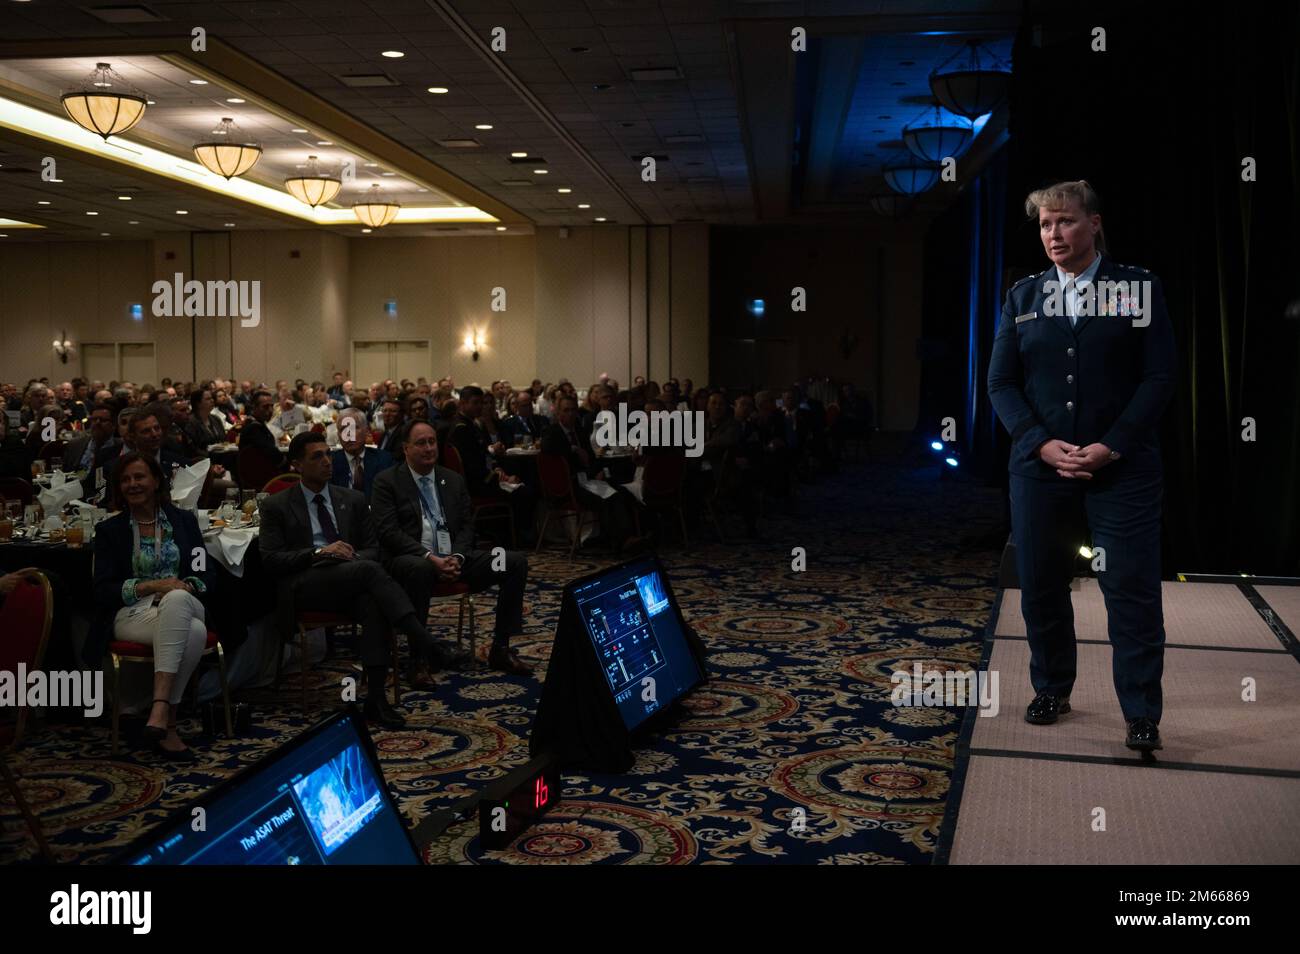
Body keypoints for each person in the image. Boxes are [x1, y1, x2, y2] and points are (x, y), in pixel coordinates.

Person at [987, 179, 1175, 752]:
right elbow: (1001, 383)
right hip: (1040, 470)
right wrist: (1038, 442)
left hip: (1122, 470)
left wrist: (1112, 444)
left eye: (1065, 221)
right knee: (1041, 586)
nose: (1053, 234)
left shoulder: (1137, 287)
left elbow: (1159, 377)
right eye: (1045, 225)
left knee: (1130, 589)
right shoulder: (1023, 297)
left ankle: (1141, 712)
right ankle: (1052, 687)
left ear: (1094, 223)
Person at [258, 432, 440, 728]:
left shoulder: (352, 499)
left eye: (328, 454)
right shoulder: (276, 505)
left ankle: (376, 700)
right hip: (305, 584)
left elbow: (374, 549)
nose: (328, 461)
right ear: (297, 465)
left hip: (351, 577)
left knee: (372, 600)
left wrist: (348, 558)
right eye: (317, 457)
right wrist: (319, 553)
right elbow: (271, 560)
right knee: (369, 575)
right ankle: (421, 638)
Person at [371, 421, 533, 676]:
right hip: (410, 559)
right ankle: (418, 659)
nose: (428, 448)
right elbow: (388, 532)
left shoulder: (452, 479)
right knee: (419, 568)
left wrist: (456, 556)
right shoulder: (388, 481)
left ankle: (501, 649)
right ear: (406, 448)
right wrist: (431, 557)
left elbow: (468, 526)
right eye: (421, 443)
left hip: (455, 559)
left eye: (432, 442)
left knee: (513, 561)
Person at [90, 453, 214, 760]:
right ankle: (168, 724)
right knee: (195, 633)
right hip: (133, 613)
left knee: (178, 599)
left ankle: (157, 707)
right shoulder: (111, 531)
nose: (133, 484)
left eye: (139, 477)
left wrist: (183, 586)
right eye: (126, 480)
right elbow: (102, 590)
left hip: (185, 601)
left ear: (156, 480)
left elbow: (204, 572)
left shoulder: (183, 522)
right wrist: (153, 586)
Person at [541, 395, 643, 553]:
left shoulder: (580, 431)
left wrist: (598, 471)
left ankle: (625, 537)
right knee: (606, 499)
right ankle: (619, 541)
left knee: (620, 491)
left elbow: (591, 456)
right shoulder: (552, 431)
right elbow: (547, 448)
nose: (570, 414)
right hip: (570, 485)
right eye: (566, 410)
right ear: (558, 413)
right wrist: (573, 449)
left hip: (589, 480)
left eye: (573, 410)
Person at [330, 408, 392, 500]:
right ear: (338, 434)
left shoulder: (384, 460)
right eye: (343, 429)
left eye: (354, 428)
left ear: (367, 431)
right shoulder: (329, 462)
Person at [238, 389, 286, 472]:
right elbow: (271, 452)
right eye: (265, 407)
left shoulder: (257, 424)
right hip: (259, 477)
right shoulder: (253, 428)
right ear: (254, 407)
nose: (270, 410)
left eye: (271, 406)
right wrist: (287, 465)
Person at [63, 403, 118, 473]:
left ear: (113, 424)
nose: (97, 423)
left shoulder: (120, 447)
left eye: (103, 420)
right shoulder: (75, 445)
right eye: (94, 419)